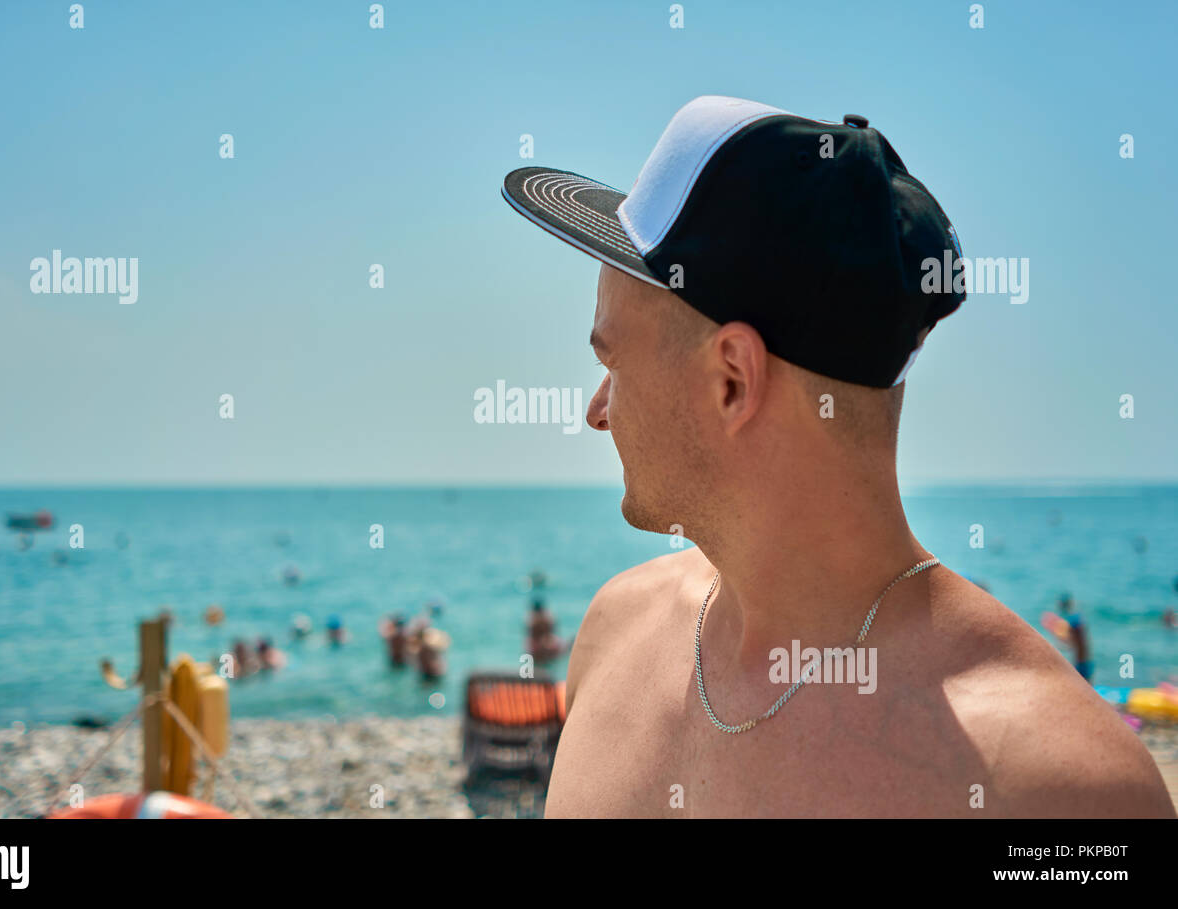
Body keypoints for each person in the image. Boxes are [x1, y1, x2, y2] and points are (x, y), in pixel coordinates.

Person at [500, 95, 1174, 818]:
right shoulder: (615, 634)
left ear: (733, 379)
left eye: (615, 362)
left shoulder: (1061, 786)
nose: (596, 410)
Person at [1056, 594, 1093, 681]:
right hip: (1086, 660)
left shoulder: (1072, 621)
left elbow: (1068, 643)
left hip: (1080, 662)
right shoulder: (1077, 618)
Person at [525, 596, 565, 664]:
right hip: (543, 647)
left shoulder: (531, 620)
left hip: (537, 648)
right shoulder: (547, 619)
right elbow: (551, 633)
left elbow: (530, 637)